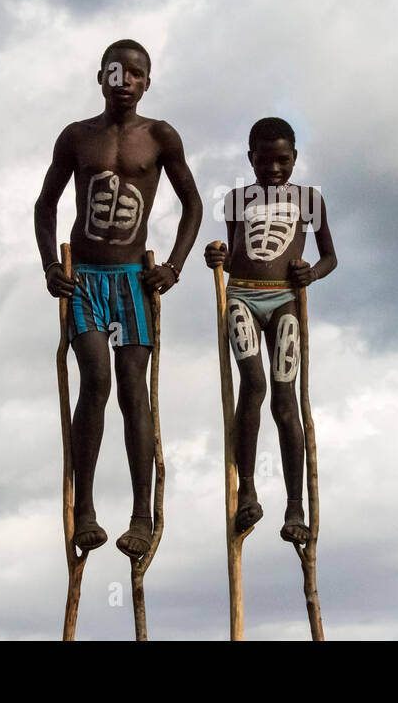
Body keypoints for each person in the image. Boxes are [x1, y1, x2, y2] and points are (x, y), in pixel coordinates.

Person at [34, 39, 202, 557]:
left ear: (147, 82)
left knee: (134, 390)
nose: (125, 80)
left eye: (136, 73)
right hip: (83, 277)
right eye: (116, 71)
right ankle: (84, 510)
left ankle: (141, 516)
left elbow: (192, 203)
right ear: (101, 77)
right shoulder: (76, 137)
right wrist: (48, 267)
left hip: (132, 279)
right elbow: (45, 205)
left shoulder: (160, 136)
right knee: (96, 381)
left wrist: (174, 266)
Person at [204, 117, 337, 544]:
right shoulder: (236, 200)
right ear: (251, 159)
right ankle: (247, 490)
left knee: (285, 395)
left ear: (295, 158)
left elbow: (330, 256)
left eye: (283, 160)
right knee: (253, 383)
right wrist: (216, 257)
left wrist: (310, 273)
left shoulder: (310, 200)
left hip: (285, 300)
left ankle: (295, 507)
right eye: (265, 161)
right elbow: (234, 248)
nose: (274, 169)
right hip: (241, 294)